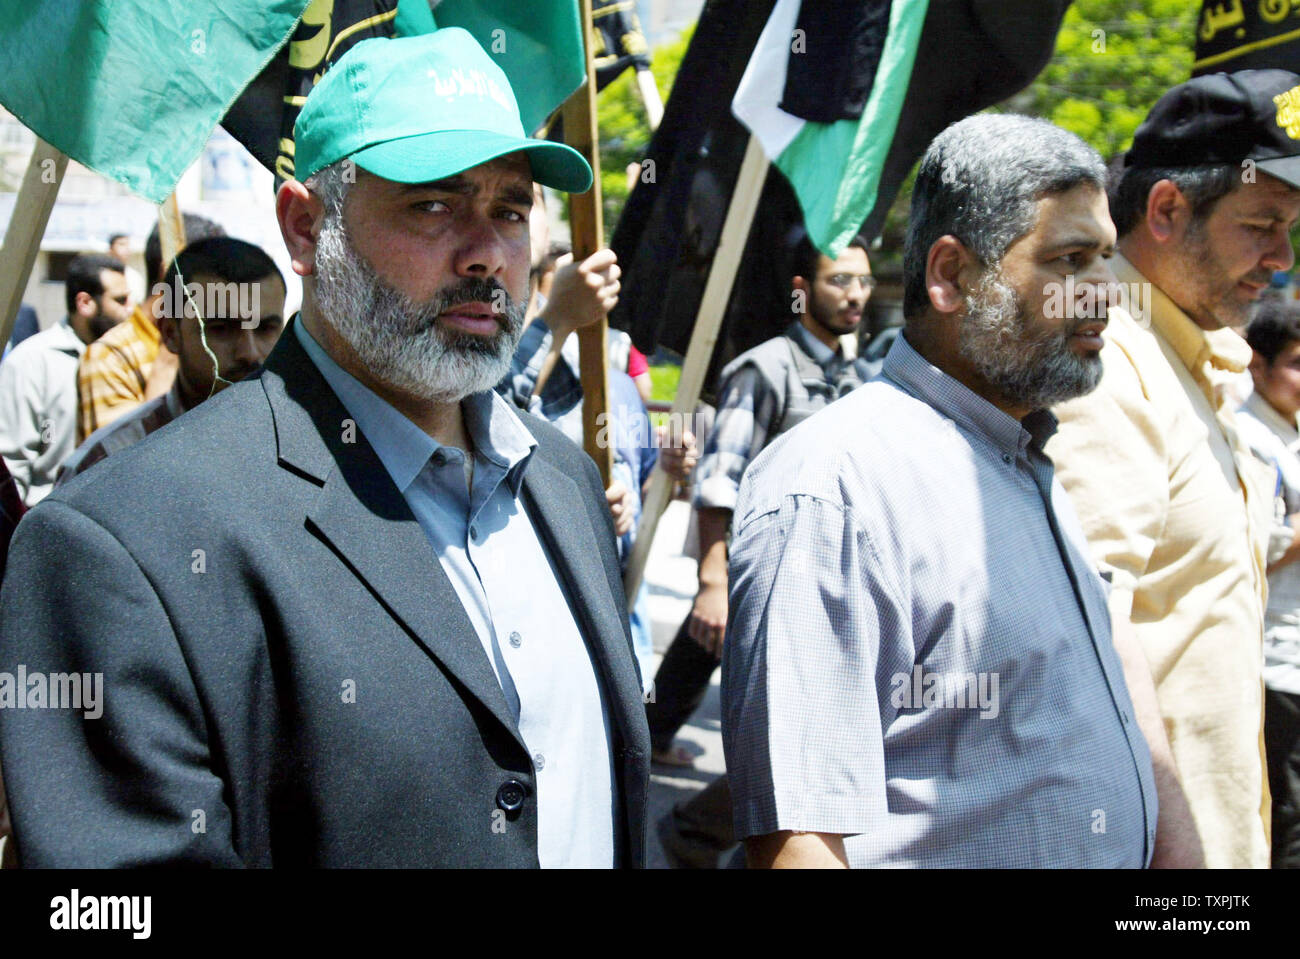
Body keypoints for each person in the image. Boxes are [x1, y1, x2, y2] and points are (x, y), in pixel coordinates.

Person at [0, 28, 648, 868]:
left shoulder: (564, 480)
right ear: (305, 229)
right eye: (433, 203)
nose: (488, 252)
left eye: (511, 210)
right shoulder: (124, 542)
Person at [723, 113, 1201, 869]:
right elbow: (798, 835)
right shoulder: (830, 487)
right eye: (1072, 259)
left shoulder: (1027, 461)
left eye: (1106, 258)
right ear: (950, 276)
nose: (1106, 295)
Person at [1045, 69, 1300, 869]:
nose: (1282, 259)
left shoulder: (1190, 361)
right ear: (1165, 210)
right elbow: (1080, 647)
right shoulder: (1104, 364)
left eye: (1290, 229)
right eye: (1262, 224)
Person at [650, 228, 879, 867]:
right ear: (802, 292)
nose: (856, 294)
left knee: (811, 743)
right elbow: (719, 482)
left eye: (863, 280)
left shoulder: (859, 378)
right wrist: (713, 583)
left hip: (826, 591)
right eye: (840, 280)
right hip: (764, 588)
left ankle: (693, 828)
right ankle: (686, 830)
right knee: (798, 744)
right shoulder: (765, 368)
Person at [58, 238, 286, 483]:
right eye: (221, 329)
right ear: (170, 334)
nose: (250, 352)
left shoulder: (310, 440)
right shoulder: (106, 465)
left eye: (265, 329)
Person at [1236, 301, 1300, 868]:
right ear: (1257, 365)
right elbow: (1254, 548)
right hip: (1276, 661)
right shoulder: (1248, 437)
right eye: (1297, 364)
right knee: (1287, 817)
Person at [77, 215, 225, 442]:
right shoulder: (108, 358)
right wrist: (169, 359)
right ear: (172, 275)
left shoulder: (213, 342)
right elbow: (120, 463)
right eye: (213, 277)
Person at [0, 254, 131, 506]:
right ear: (84, 303)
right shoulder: (32, 362)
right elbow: (12, 467)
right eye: (120, 301)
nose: (130, 311)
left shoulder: (132, 360)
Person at [108, 232, 147, 304]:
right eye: (121, 244)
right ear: (111, 249)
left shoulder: (135, 276)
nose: (126, 248)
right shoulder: (103, 274)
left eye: (127, 245)